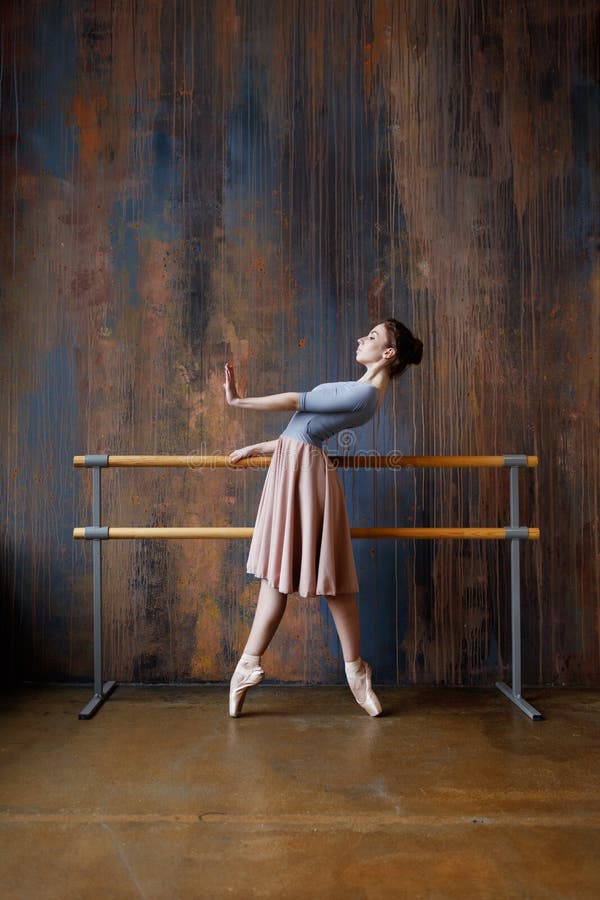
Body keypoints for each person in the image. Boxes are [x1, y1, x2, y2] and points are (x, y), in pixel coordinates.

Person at [224, 319, 423, 717]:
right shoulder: (361, 390)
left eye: (371, 337)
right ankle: (249, 665)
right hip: (294, 468)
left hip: (303, 477)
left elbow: (297, 404)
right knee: (276, 575)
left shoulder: (364, 394)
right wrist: (255, 448)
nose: (360, 338)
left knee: (329, 577)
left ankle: (354, 671)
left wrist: (238, 402)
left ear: (387, 354)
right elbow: (302, 431)